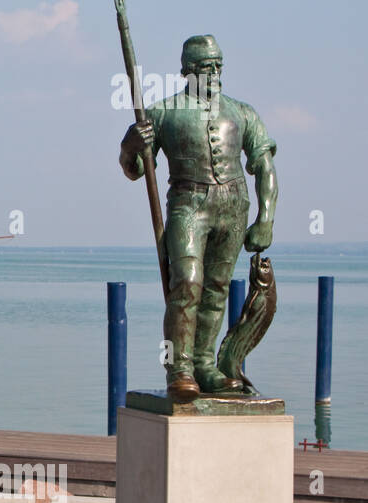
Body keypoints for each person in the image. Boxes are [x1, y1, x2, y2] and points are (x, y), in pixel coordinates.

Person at [119, 35, 277, 402]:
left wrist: (266, 216)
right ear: (187, 71)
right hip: (188, 203)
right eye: (206, 66)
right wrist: (130, 144)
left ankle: (206, 365)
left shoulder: (243, 112)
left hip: (234, 205)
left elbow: (264, 166)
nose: (214, 72)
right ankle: (181, 368)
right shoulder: (162, 112)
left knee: (217, 290)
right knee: (187, 282)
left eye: (218, 65)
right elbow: (136, 169)